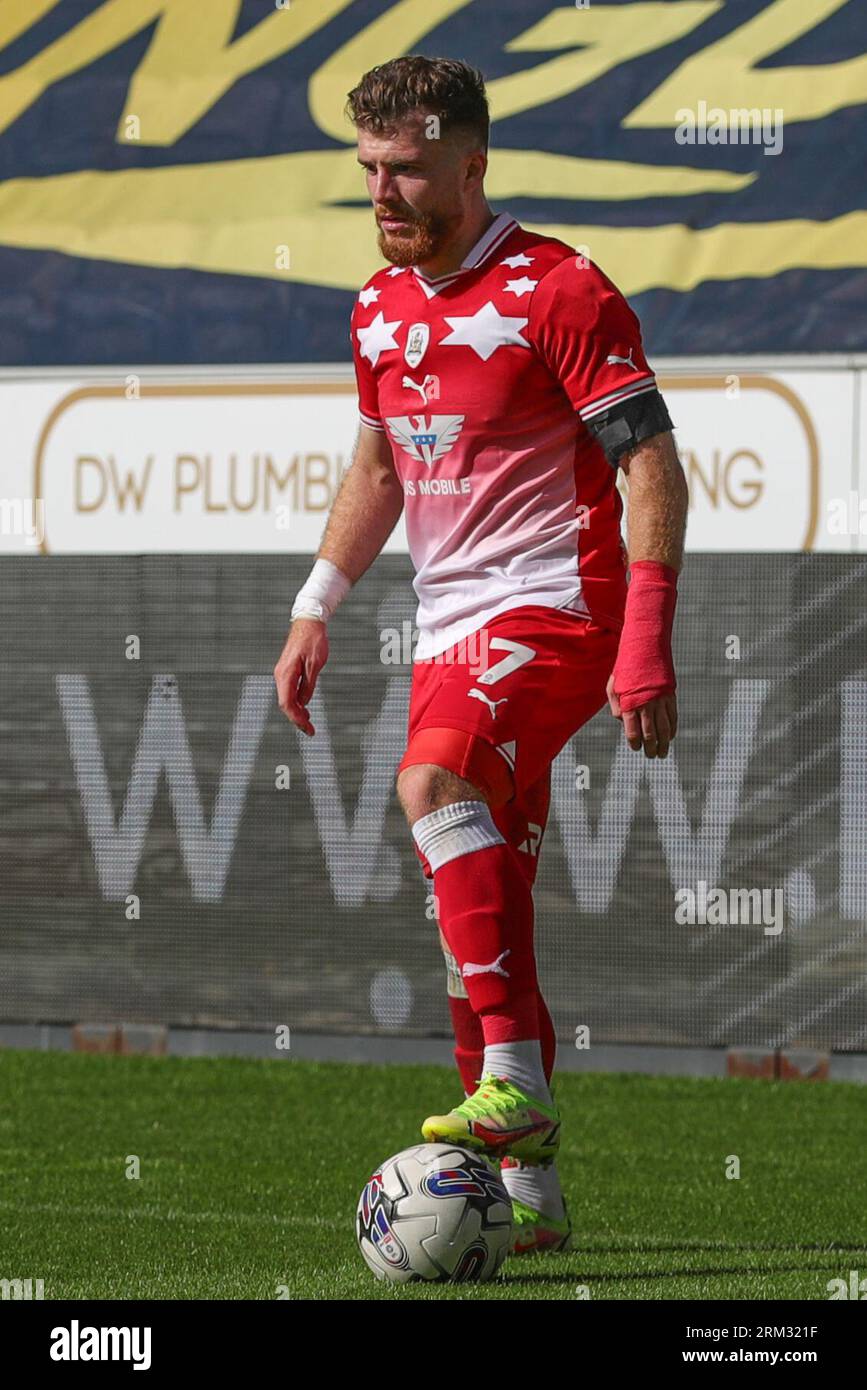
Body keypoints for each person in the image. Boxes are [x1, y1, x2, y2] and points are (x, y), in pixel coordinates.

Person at [274, 54, 687, 1255]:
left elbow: (650, 465)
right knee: (475, 915)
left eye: (405, 170)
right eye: (369, 171)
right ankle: (530, 1203)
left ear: (472, 162)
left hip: (559, 604)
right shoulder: (375, 306)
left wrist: (646, 641)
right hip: (451, 625)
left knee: (431, 783)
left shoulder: (560, 288)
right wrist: (317, 603)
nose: (384, 193)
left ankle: (512, 1076)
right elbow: (376, 470)